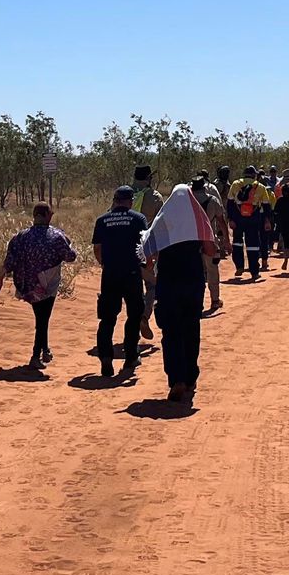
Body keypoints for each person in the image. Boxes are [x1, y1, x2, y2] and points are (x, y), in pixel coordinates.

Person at [141, 182, 220, 406]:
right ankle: (190, 377)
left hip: (168, 282)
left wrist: (152, 264)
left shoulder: (163, 220)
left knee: (171, 331)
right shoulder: (198, 220)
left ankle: (175, 378)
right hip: (193, 281)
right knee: (191, 328)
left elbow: (148, 250)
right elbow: (210, 249)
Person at [0, 202, 76, 369]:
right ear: (46, 215)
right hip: (46, 284)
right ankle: (35, 356)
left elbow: (10, 260)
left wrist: (0, 278)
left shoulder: (20, 237)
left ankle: (45, 350)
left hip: (27, 284)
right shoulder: (56, 236)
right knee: (43, 319)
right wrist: (69, 244)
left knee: (41, 318)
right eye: (50, 213)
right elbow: (70, 257)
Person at [91, 185, 152, 379]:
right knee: (134, 315)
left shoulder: (102, 220)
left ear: (115, 200)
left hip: (110, 274)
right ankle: (131, 356)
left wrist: (105, 264)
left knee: (108, 318)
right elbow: (144, 244)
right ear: (130, 201)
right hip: (132, 273)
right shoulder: (138, 219)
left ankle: (106, 357)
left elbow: (97, 248)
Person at [132, 165, 165, 342]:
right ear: (148, 178)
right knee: (151, 285)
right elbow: (160, 225)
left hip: (125, 248)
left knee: (132, 289)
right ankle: (144, 316)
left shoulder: (124, 194)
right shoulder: (155, 197)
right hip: (146, 246)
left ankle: (133, 325)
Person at [195, 171, 230, 312]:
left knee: (196, 272)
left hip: (192, 241)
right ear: (204, 186)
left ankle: (197, 302)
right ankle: (215, 300)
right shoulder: (213, 200)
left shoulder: (188, 201)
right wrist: (227, 241)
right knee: (212, 270)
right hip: (209, 239)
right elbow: (222, 221)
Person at [230, 165, 272, 280]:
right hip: (254, 218)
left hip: (238, 217)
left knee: (237, 243)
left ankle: (239, 266)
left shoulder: (235, 184)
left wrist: (231, 219)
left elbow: (230, 203)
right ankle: (254, 272)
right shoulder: (260, 187)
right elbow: (266, 205)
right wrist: (267, 221)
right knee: (253, 245)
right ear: (255, 175)